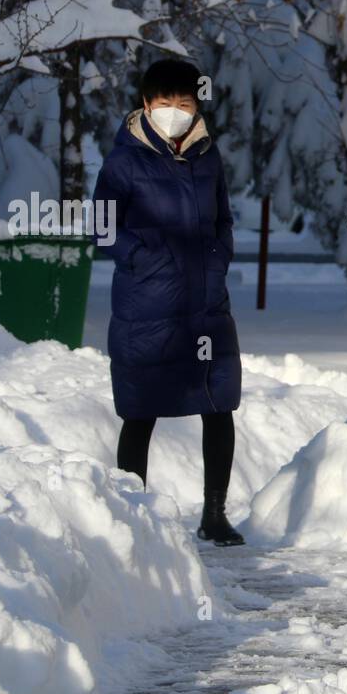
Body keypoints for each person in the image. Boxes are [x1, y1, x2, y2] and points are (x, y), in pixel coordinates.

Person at [92, 58, 244, 546]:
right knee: (141, 410)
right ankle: (133, 516)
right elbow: (101, 226)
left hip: (206, 304)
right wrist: (142, 258)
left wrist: (219, 257)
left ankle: (214, 515)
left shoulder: (207, 155)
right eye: (165, 103)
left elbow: (223, 218)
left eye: (185, 103)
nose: (176, 112)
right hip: (148, 306)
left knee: (218, 405)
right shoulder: (124, 161)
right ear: (146, 105)